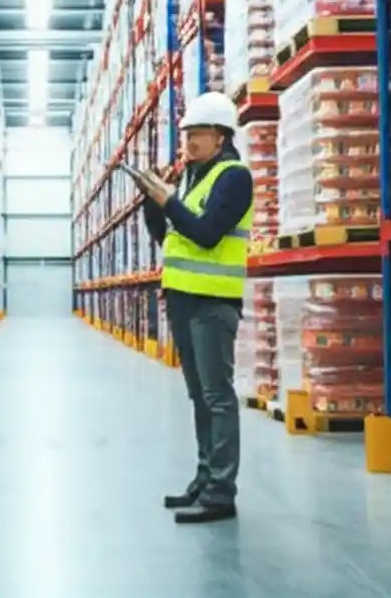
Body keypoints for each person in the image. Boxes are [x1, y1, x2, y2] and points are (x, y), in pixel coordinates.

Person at [138, 91, 252, 525]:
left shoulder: (234, 177)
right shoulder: (190, 177)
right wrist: (154, 201)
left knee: (217, 397)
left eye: (196, 134)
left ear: (220, 136)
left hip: (213, 303)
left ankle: (222, 491)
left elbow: (206, 234)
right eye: (186, 133)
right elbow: (169, 237)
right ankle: (204, 481)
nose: (188, 141)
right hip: (183, 300)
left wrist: (170, 202)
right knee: (198, 396)